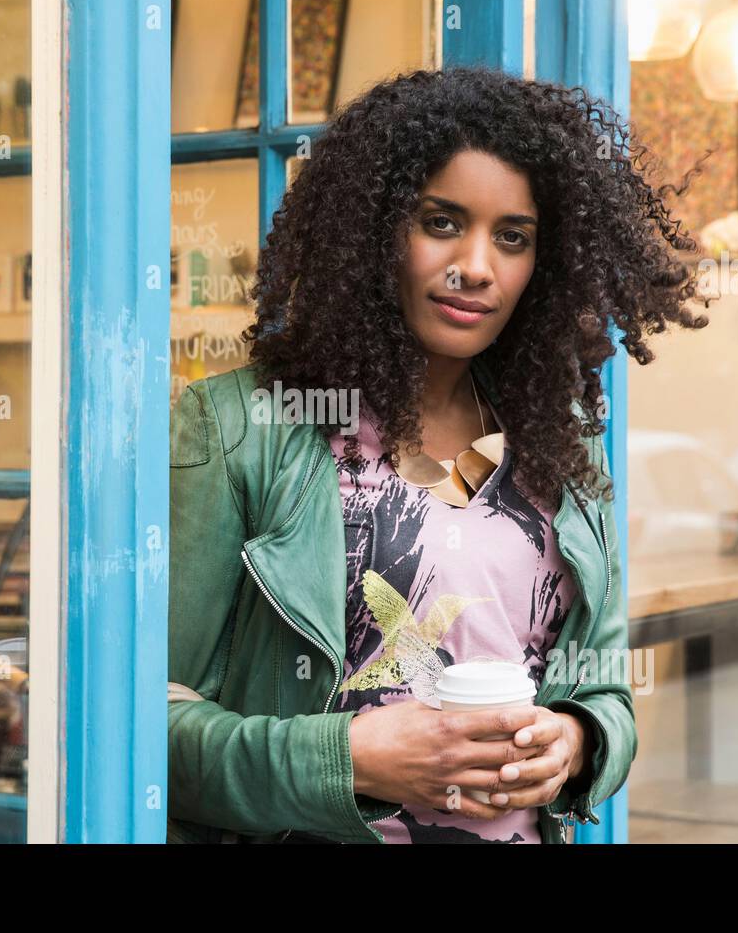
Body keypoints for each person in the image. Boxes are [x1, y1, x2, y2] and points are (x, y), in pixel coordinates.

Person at [167, 66, 707, 843]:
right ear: (374, 228)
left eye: (512, 237)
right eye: (442, 222)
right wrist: (344, 759)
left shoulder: (560, 436)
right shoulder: (241, 427)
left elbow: (605, 688)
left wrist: (577, 744)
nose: (477, 266)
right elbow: (142, 716)